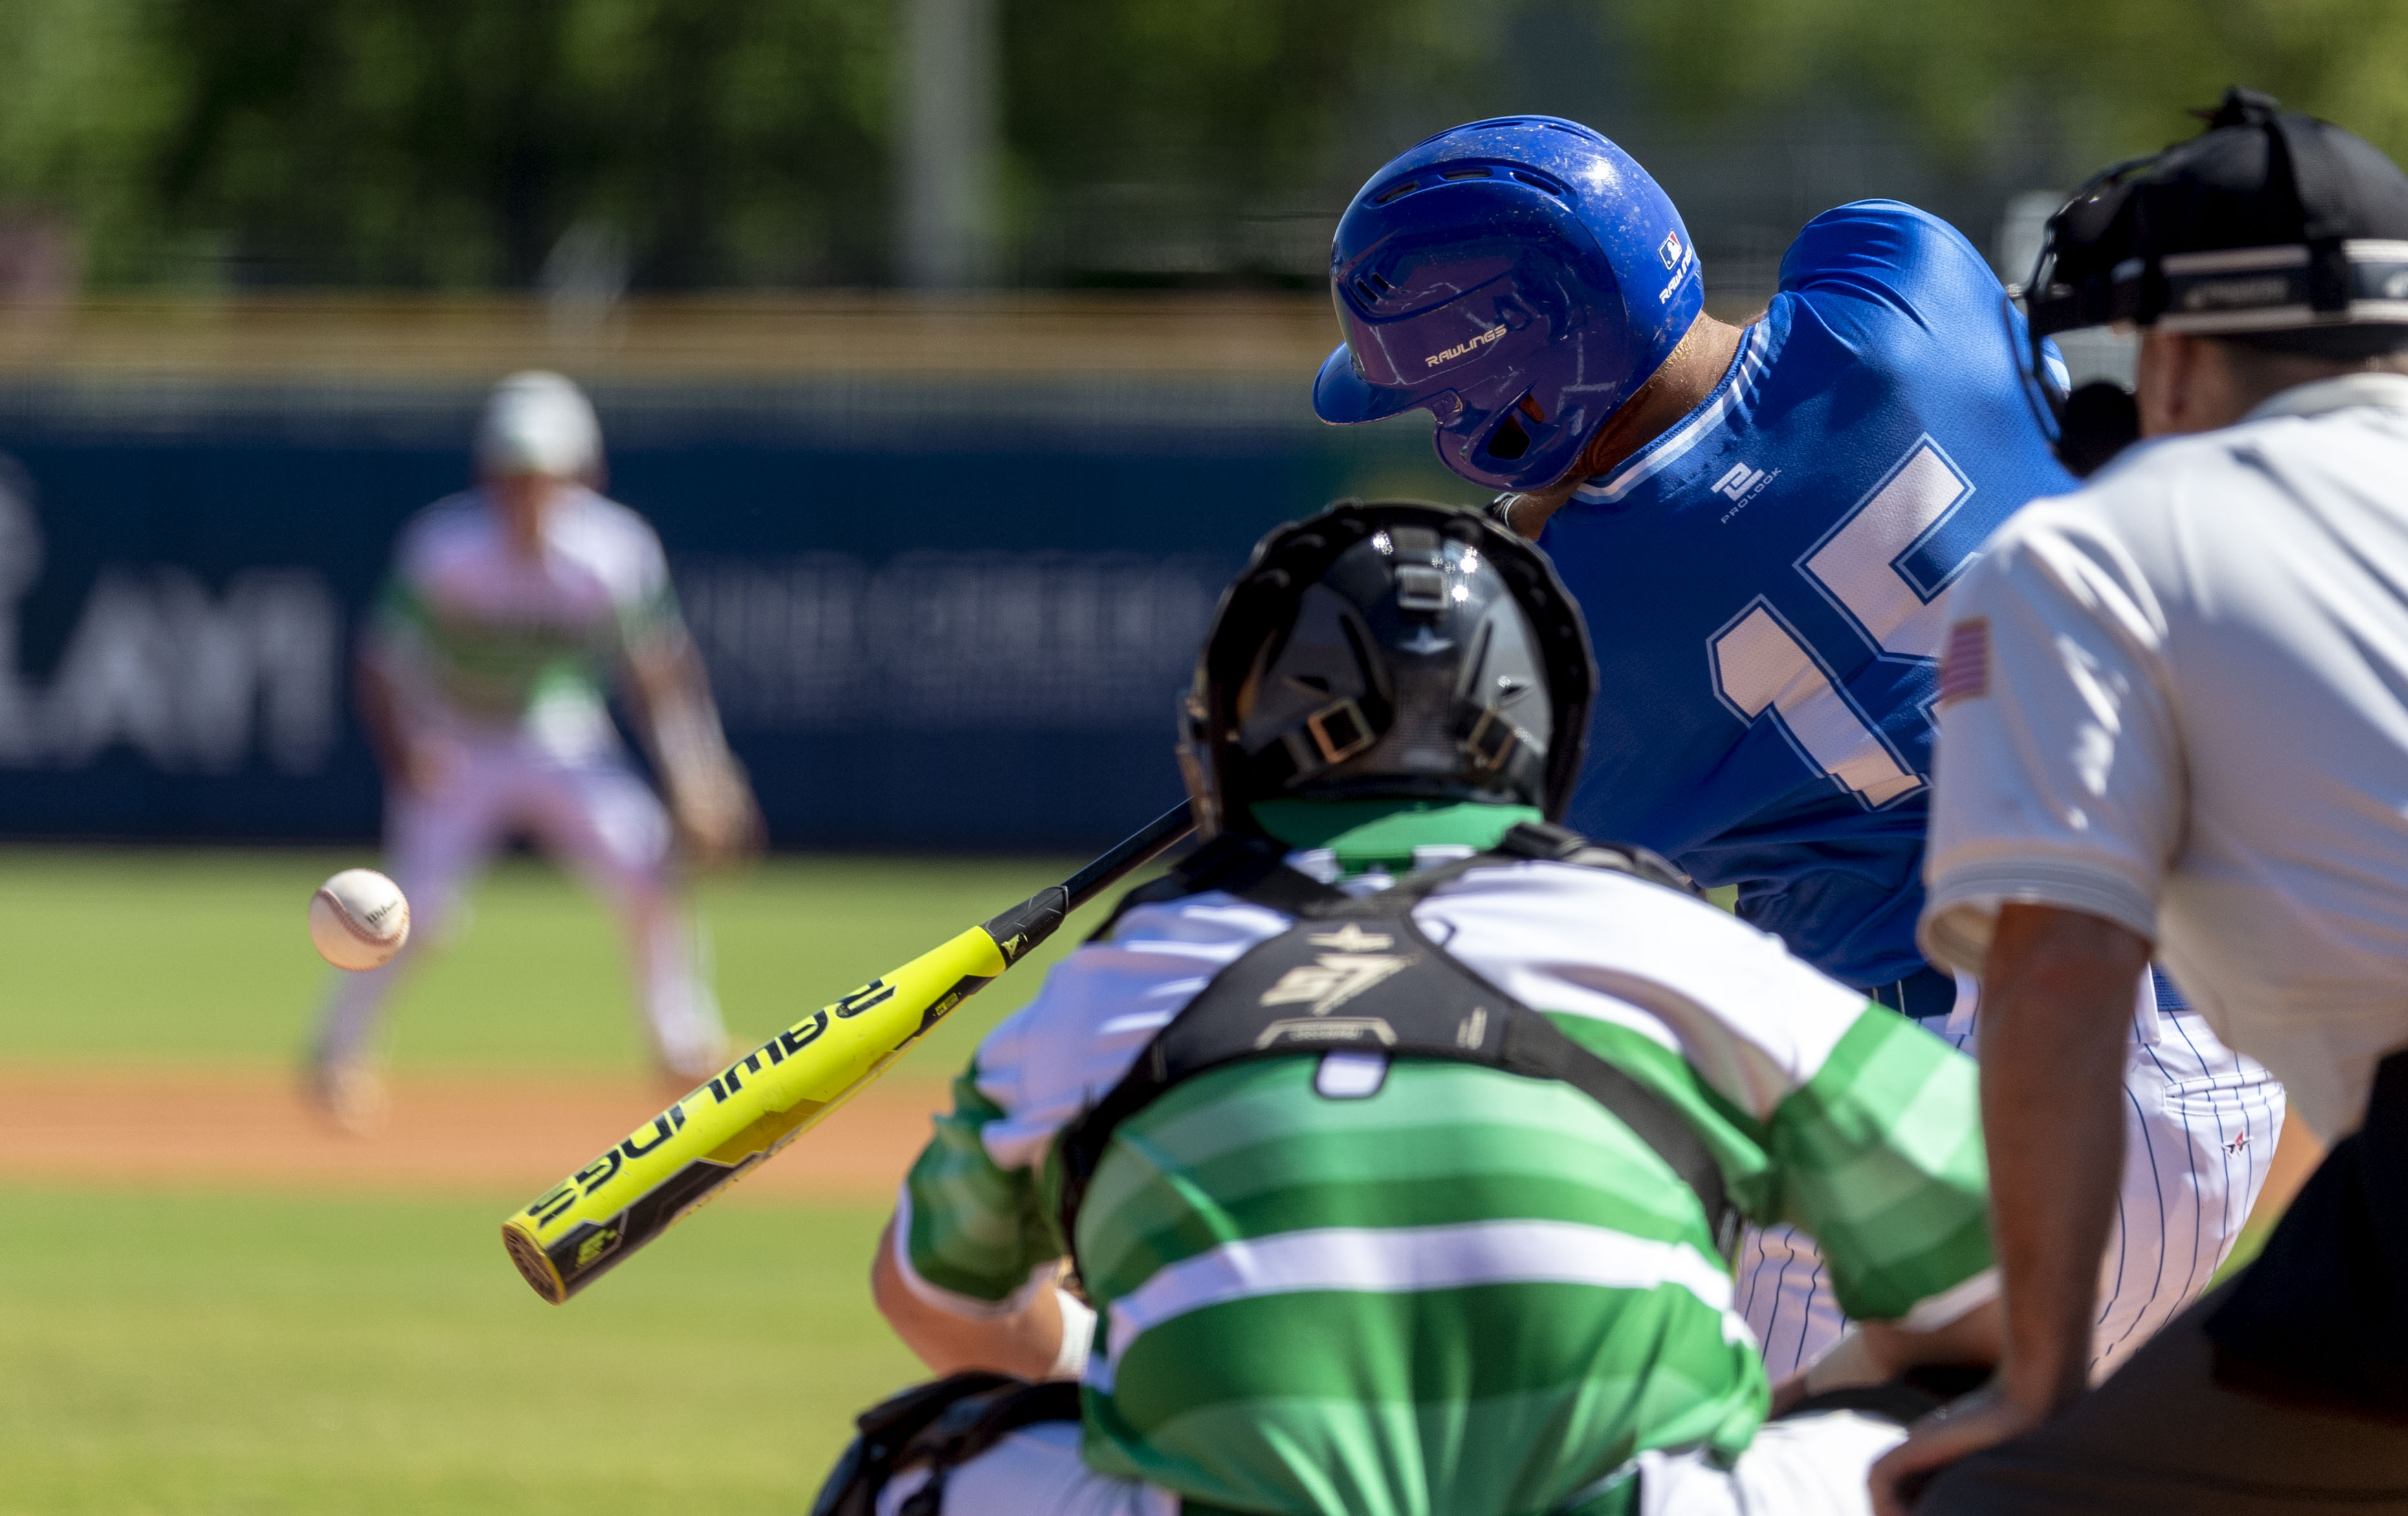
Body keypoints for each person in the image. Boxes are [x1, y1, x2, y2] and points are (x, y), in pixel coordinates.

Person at [1307, 114, 2282, 1380]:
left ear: (1526, 385)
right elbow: (1751, 454)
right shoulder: (1899, 282)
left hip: (1979, 1113)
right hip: (2207, 1010)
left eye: (1437, 388)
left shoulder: (1571, 644)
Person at [818, 500, 2003, 1516]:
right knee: (1978, 1407)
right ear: (1543, 737)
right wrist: (1768, 1415)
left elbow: (932, 1293)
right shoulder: (1680, 945)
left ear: (1228, 743)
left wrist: (1139, 1367)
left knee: (905, 1464)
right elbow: (2015, 1243)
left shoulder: (1115, 980)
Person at [1868, 90, 2408, 1512]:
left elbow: (2062, 968)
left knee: (1991, 1498)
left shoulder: (2088, 553)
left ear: (2167, 361)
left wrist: (2037, 1378)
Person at [301, 371, 760, 1131]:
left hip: (558, 729)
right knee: (415, 910)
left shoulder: (613, 551)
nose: (525, 491)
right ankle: (338, 1052)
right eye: (512, 474)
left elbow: (655, 670)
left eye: (542, 474)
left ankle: (679, 1041)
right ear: (489, 474)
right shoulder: (445, 547)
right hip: (457, 733)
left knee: (649, 866)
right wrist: (408, 749)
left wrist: (699, 773)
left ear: (579, 473)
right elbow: (381, 661)